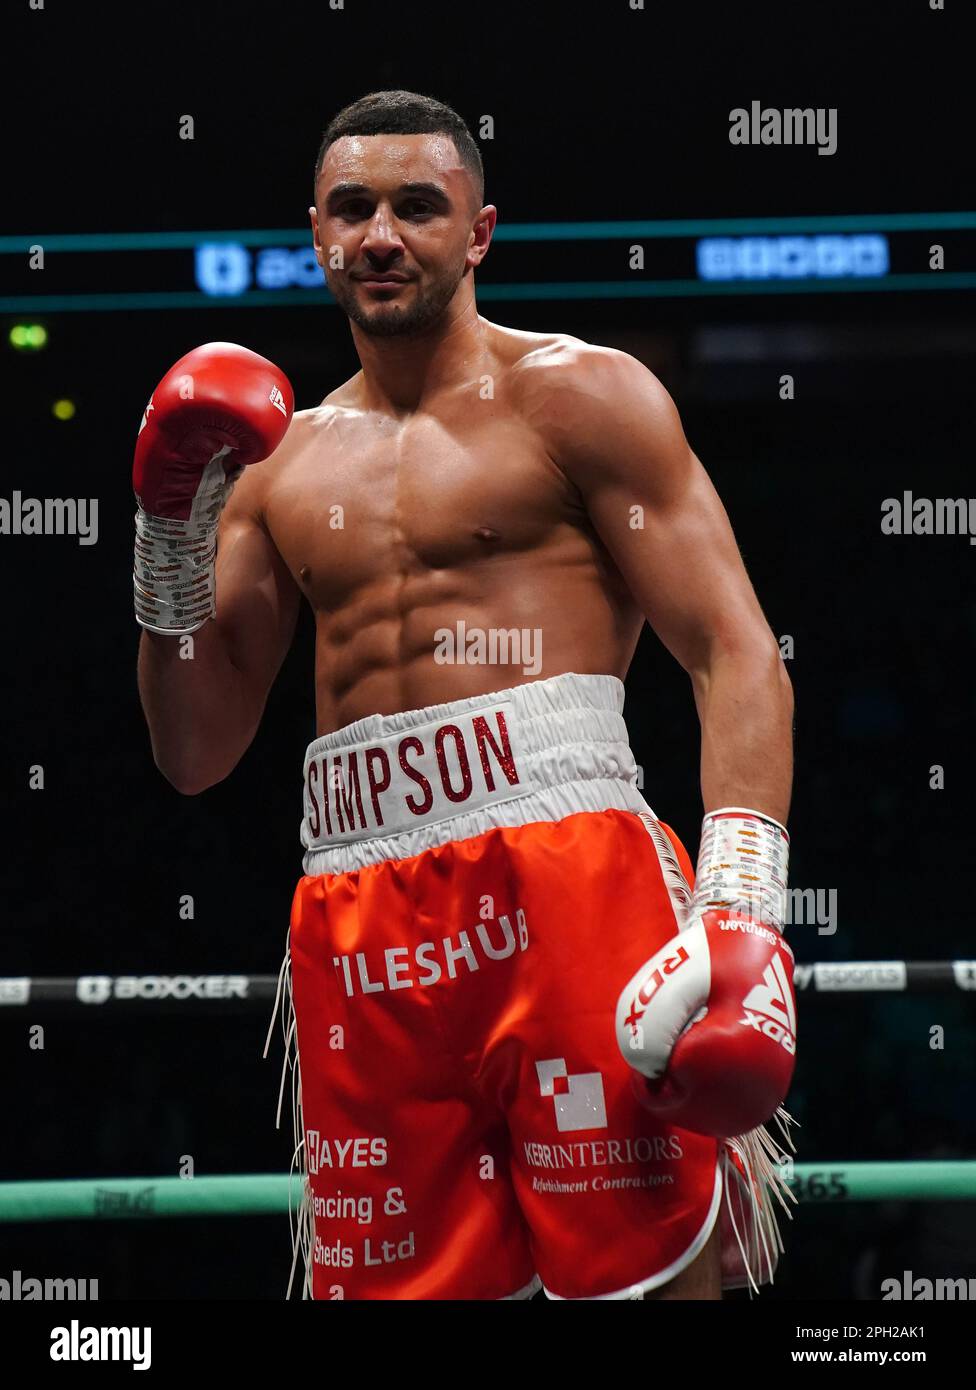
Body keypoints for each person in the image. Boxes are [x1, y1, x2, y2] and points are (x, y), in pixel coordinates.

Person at [135, 90, 797, 1301]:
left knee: (652, 1283)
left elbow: (733, 647)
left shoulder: (579, 396)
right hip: (360, 911)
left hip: (568, 877)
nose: (381, 233)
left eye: (416, 206)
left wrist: (739, 910)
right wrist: (165, 536)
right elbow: (194, 748)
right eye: (352, 208)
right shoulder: (276, 465)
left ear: (479, 232)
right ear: (316, 233)